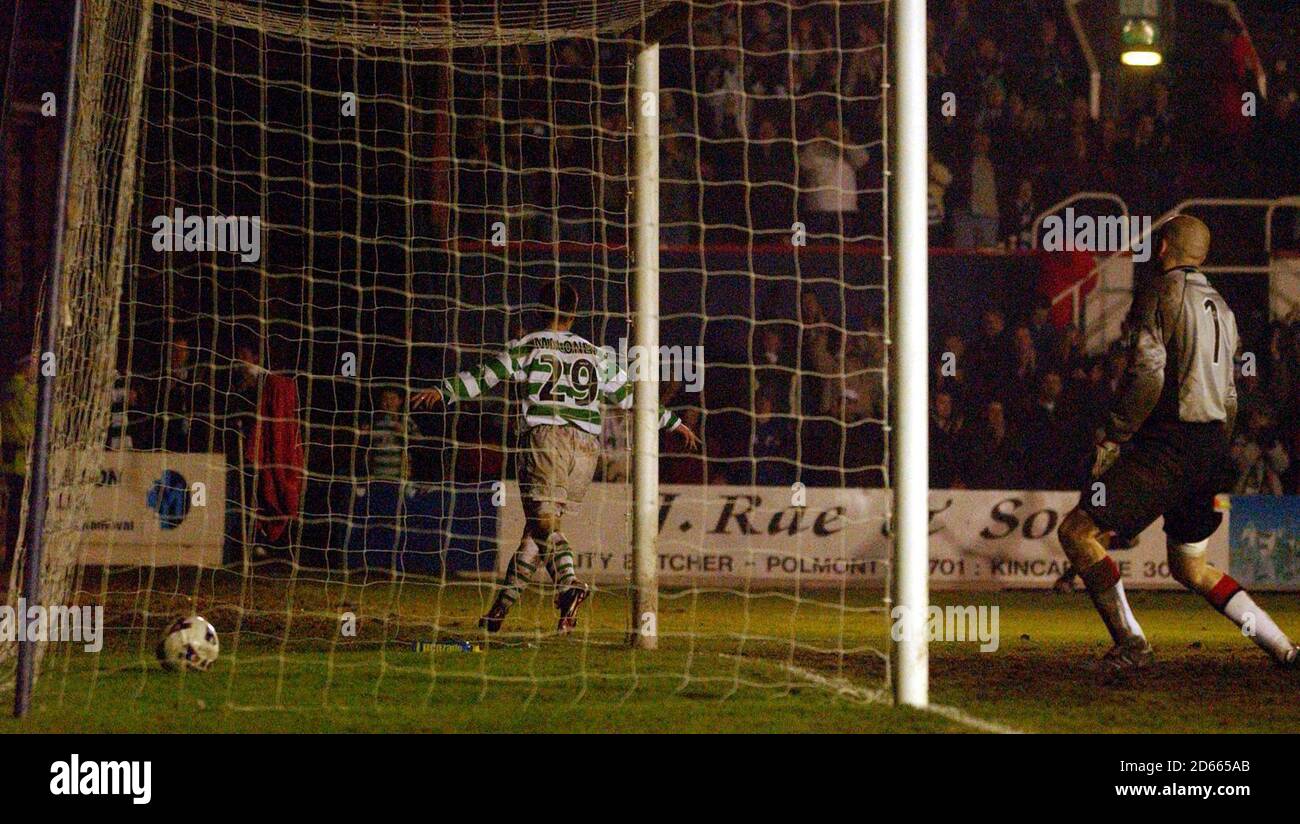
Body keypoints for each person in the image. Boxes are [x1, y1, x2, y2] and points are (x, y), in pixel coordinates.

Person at [1055, 215, 1297, 676]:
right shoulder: (1224, 309)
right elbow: (1229, 394)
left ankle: (1133, 644)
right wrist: (1215, 450)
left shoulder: (1162, 292)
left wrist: (1117, 431)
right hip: (1210, 444)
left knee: (1076, 533)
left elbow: (1149, 372)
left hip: (1171, 443)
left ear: (1165, 246)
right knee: (1192, 568)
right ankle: (1283, 647)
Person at [411, 280, 699, 634]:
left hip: (546, 439)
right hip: (585, 449)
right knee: (537, 532)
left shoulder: (528, 346)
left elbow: (487, 376)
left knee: (545, 526)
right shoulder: (596, 353)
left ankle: (568, 585)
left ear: (540, 310)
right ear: (574, 314)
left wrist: (444, 391)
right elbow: (631, 397)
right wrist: (673, 422)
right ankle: (499, 611)